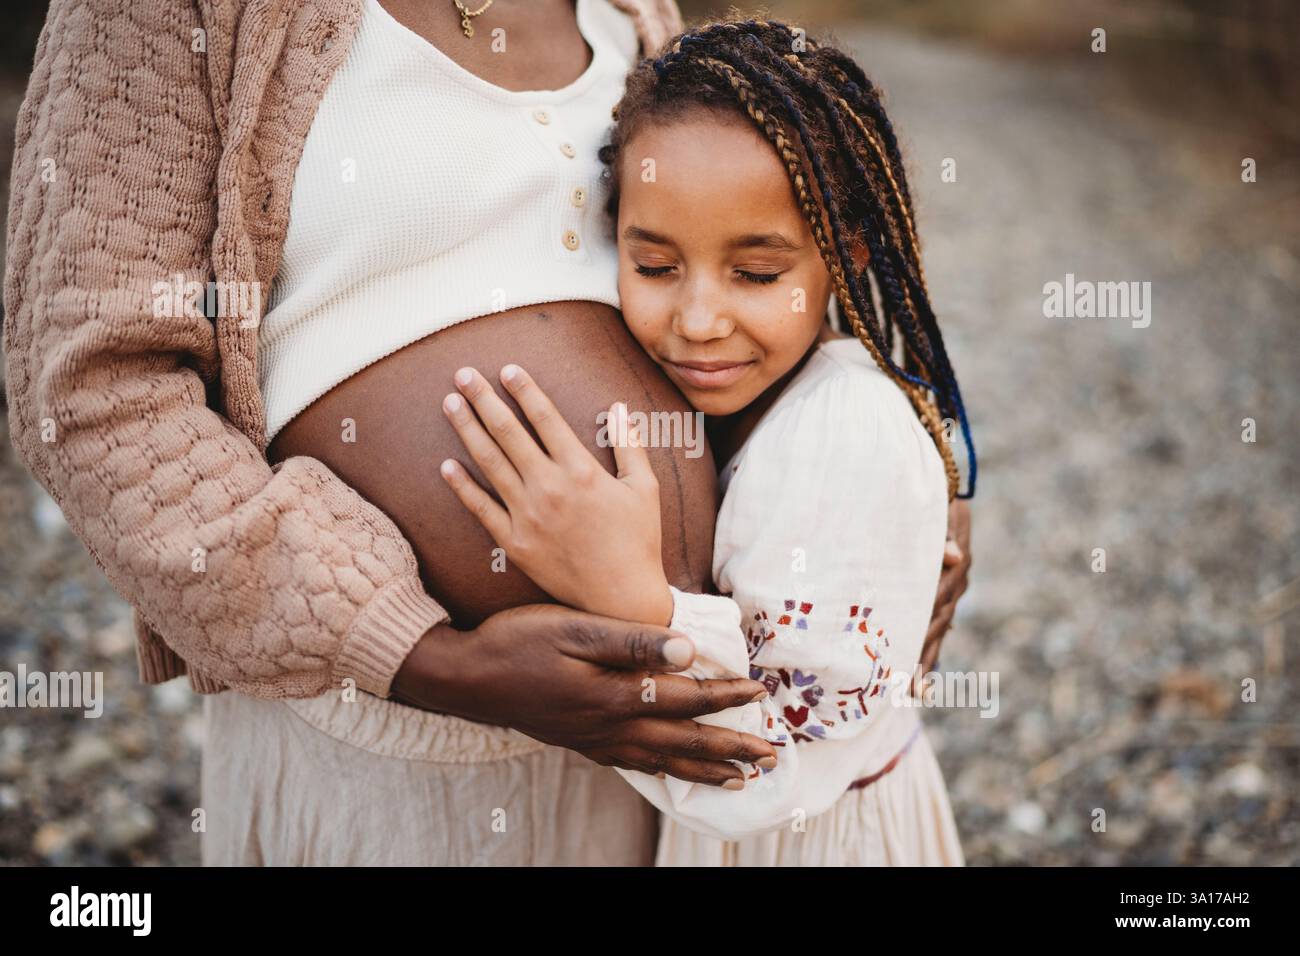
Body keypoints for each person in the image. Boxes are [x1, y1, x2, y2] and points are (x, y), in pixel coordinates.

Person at [3, 0, 970, 865]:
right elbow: (95, 389)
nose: (699, 313)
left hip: (651, 769)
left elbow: (764, 226)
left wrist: (893, 515)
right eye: (654, 267)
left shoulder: (633, 14)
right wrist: (428, 658)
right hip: (376, 753)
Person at [437, 20, 975, 864]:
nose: (695, 322)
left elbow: (774, 764)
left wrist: (631, 597)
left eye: (756, 275)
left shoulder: (853, 430)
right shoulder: (744, 401)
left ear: (844, 257)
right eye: (653, 267)